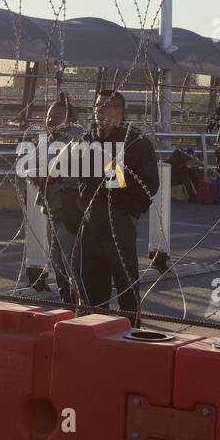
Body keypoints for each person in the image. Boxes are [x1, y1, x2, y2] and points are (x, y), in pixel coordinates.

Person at [78, 90, 159, 325]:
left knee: (125, 282)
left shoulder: (134, 141)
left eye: (106, 105)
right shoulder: (89, 139)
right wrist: (83, 205)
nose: (99, 109)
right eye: (97, 105)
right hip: (92, 218)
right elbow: (80, 176)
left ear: (119, 111)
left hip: (120, 217)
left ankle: (130, 330)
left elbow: (150, 182)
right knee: (92, 279)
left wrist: (134, 213)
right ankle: (97, 328)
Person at [35, 97, 86, 307]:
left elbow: (85, 175)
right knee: (56, 261)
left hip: (68, 210)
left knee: (71, 261)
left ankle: (82, 304)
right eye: (48, 115)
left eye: (56, 116)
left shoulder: (78, 141)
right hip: (50, 208)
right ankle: (67, 302)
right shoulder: (45, 140)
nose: (50, 120)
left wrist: (57, 175)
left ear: (70, 119)